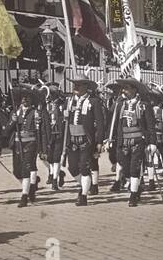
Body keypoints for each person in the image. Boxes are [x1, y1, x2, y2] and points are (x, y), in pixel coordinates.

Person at [105, 78, 153, 206]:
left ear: (134, 89)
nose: (124, 91)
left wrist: (152, 143)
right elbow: (114, 123)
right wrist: (109, 138)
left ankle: (133, 195)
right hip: (123, 141)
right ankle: (135, 187)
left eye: (126, 88)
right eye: (124, 88)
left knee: (134, 169)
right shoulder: (120, 105)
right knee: (124, 167)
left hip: (138, 141)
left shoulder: (143, 105)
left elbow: (150, 125)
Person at [62, 78, 105, 206]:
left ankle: (83, 195)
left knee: (84, 168)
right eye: (74, 84)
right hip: (72, 140)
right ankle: (85, 183)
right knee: (73, 168)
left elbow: (101, 123)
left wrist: (99, 141)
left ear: (86, 86)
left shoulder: (94, 101)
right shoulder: (69, 102)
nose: (75, 87)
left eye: (78, 85)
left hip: (86, 140)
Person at [3, 86, 44, 207]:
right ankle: (30, 187)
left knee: (26, 168)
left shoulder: (35, 112)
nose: (25, 100)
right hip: (17, 144)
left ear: (32, 100)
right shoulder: (15, 112)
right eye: (23, 98)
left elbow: (39, 131)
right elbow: (6, 132)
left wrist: (41, 148)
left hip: (31, 144)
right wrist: (13, 121)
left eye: (28, 98)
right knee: (17, 172)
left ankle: (24, 196)